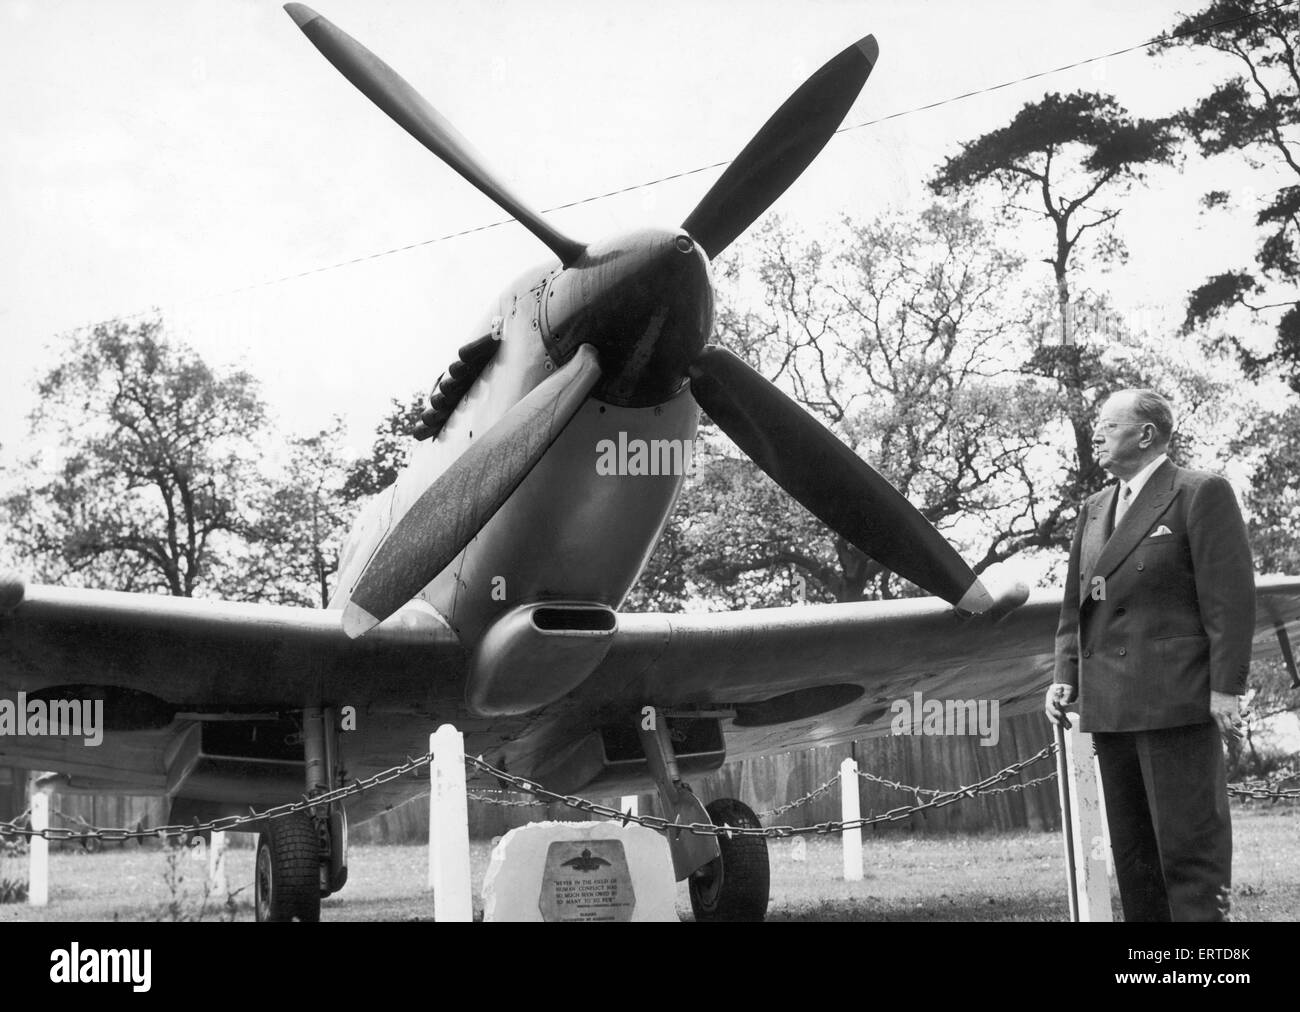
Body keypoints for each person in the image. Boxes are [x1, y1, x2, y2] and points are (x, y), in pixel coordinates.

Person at [1045, 388, 1254, 922]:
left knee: (1188, 856)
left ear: (1145, 434)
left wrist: (1226, 689)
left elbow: (1228, 601)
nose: (1095, 433)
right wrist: (1064, 672)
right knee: (1135, 859)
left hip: (1175, 703)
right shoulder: (1093, 509)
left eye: (1108, 425)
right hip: (1111, 707)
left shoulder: (1199, 493)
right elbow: (1077, 604)